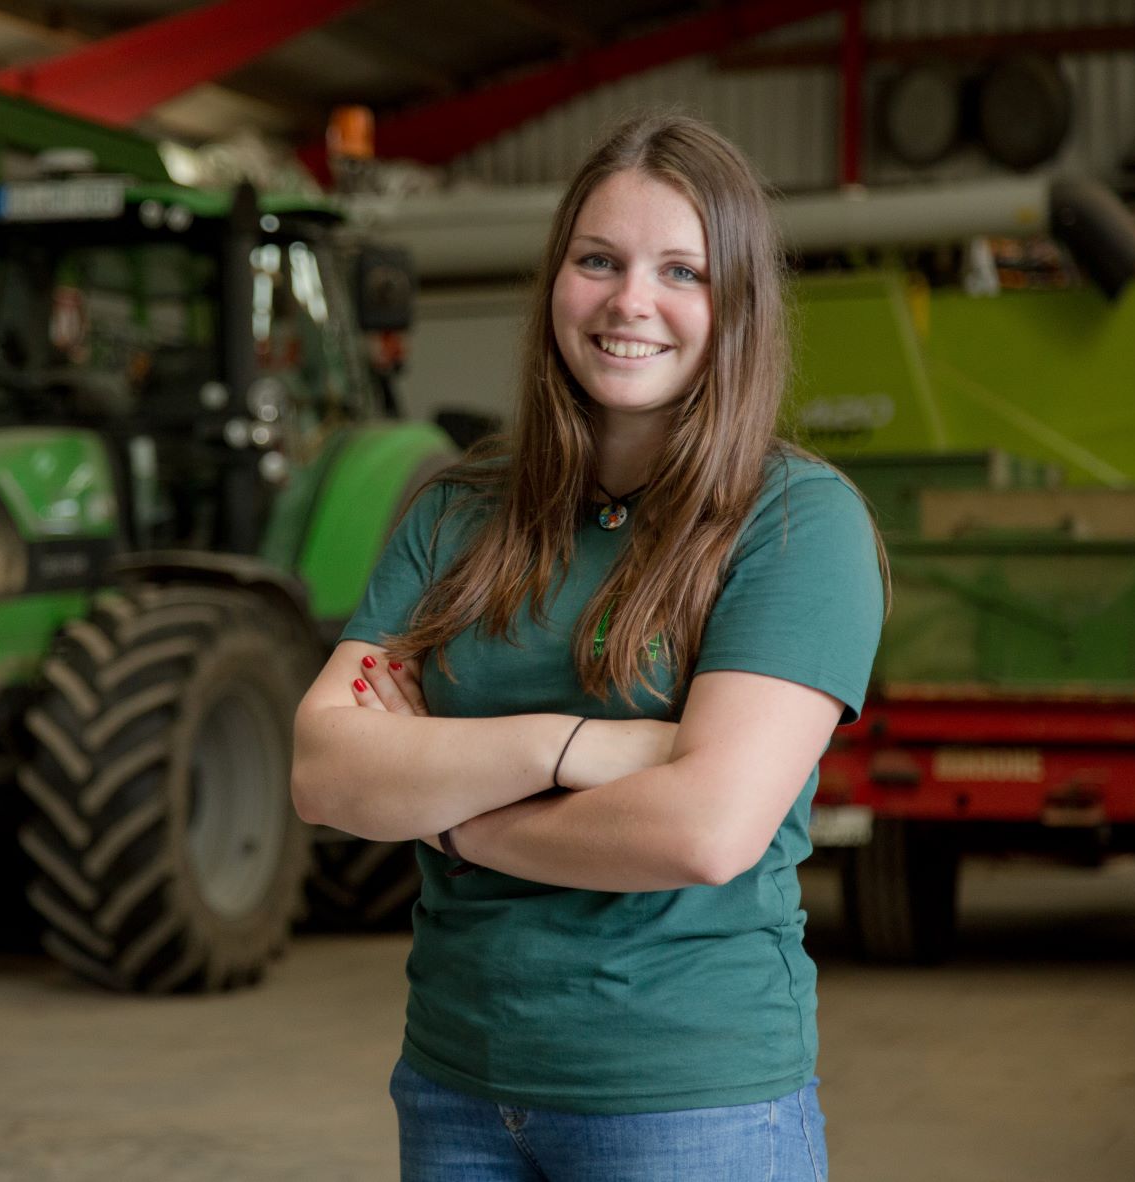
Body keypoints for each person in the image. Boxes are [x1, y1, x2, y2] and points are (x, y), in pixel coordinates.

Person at [289, 112, 886, 1181]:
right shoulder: (459, 508)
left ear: (737, 302)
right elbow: (327, 771)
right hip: (455, 1084)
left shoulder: (797, 523)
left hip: (685, 1101)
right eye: (598, 261)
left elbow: (705, 830)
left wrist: (454, 817)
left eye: (682, 272)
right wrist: (576, 747)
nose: (630, 302)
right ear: (556, 280)